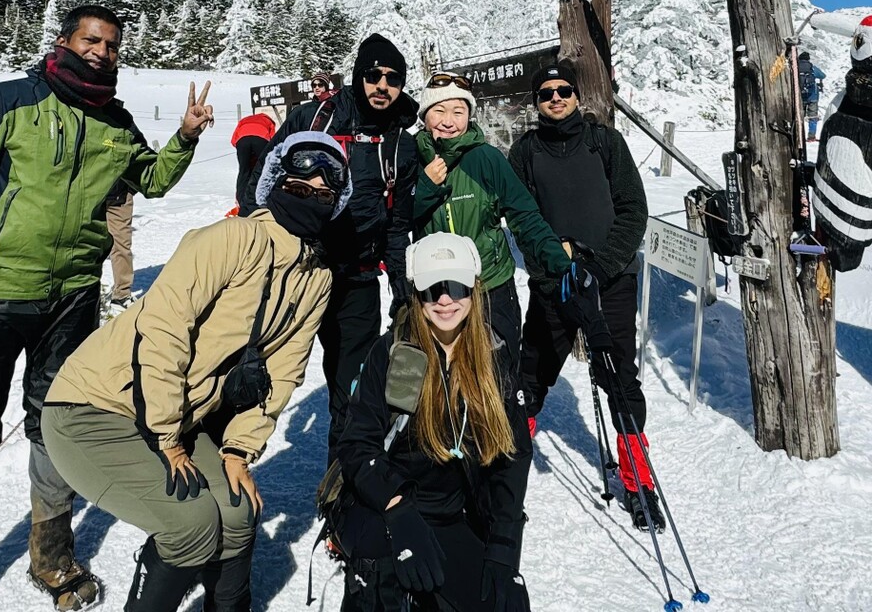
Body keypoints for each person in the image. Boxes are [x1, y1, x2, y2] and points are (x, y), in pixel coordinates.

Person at [0, 5, 213, 612]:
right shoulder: (7, 102)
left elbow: (149, 180)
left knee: (56, 424)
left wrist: (185, 137)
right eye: (90, 39)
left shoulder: (116, 120)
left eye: (111, 44)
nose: (101, 51)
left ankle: (51, 555)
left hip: (72, 299)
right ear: (64, 40)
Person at [42, 133, 348, 612]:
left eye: (325, 195)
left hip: (176, 417)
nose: (311, 199)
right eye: (299, 187)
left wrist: (237, 449)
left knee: (237, 510)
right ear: (275, 186)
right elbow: (164, 330)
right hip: (94, 406)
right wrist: (166, 437)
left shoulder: (317, 277)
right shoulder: (231, 239)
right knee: (191, 523)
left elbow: (285, 370)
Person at [332, 232, 531, 612]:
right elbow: (357, 443)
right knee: (383, 580)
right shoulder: (394, 355)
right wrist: (397, 508)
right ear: (416, 294)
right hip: (385, 505)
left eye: (455, 286)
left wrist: (505, 545)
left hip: (452, 512)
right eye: (432, 289)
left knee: (500, 601)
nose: (444, 299)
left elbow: (513, 454)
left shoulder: (493, 357)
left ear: (474, 290)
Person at [508, 64, 659, 530]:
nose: (556, 98)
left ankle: (637, 478)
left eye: (564, 90)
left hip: (610, 281)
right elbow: (521, 219)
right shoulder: (525, 151)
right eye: (546, 92)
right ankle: (509, 464)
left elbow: (634, 209)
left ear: (577, 94)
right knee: (532, 370)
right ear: (537, 100)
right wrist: (552, 269)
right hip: (554, 284)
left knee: (619, 378)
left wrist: (600, 265)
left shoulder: (605, 142)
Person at [269, 35, 418, 460]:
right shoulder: (313, 118)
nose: (382, 86)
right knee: (267, 377)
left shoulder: (400, 146)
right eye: (374, 75)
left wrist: (401, 288)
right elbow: (260, 186)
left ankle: (342, 490)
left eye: (393, 79)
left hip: (358, 278)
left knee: (352, 391)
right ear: (358, 75)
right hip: (298, 272)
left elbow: (398, 223)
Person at [410, 75, 569, 373]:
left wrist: (559, 262)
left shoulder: (487, 159)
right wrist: (426, 187)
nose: (448, 121)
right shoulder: (410, 158)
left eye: (458, 111)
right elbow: (398, 220)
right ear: (424, 116)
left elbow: (524, 215)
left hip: (490, 288)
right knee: (441, 378)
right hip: (436, 294)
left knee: (498, 374)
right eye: (439, 111)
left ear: (469, 116)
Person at [228, 108, 277, 216]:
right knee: (264, 170)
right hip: (260, 139)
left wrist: (245, 156)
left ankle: (241, 202)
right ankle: (264, 199)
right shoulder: (269, 121)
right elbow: (273, 141)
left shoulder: (244, 120)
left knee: (243, 171)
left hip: (242, 140)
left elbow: (233, 140)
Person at [105, 179, 137, 312]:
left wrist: (131, 186)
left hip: (119, 194)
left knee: (121, 245)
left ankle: (121, 296)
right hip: (85, 193)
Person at [797, 52, 827, 141]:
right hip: (813, 95)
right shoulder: (812, 68)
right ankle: (811, 136)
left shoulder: (796, 68)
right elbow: (823, 75)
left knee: (799, 116)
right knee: (813, 117)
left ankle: (798, 135)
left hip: (801, 96)